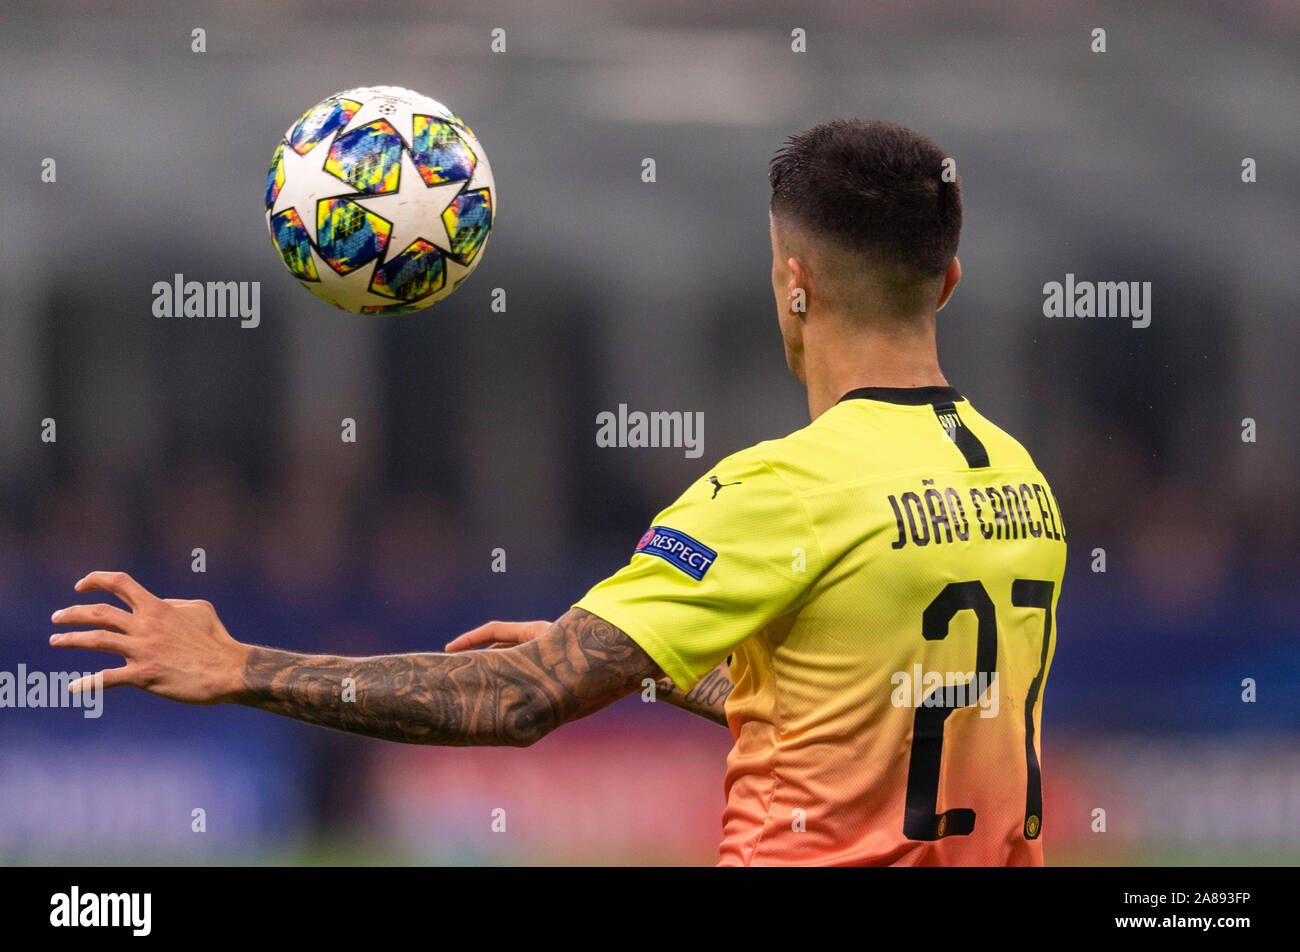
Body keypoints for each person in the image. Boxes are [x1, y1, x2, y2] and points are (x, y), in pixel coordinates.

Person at [50, 119, 1066, 865]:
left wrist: (238, 664)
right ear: (946, 283)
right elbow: (879, 712)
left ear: (791, 281)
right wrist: (647, 666)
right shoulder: (1022, 481)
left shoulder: (780, 487)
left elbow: (522, 697)